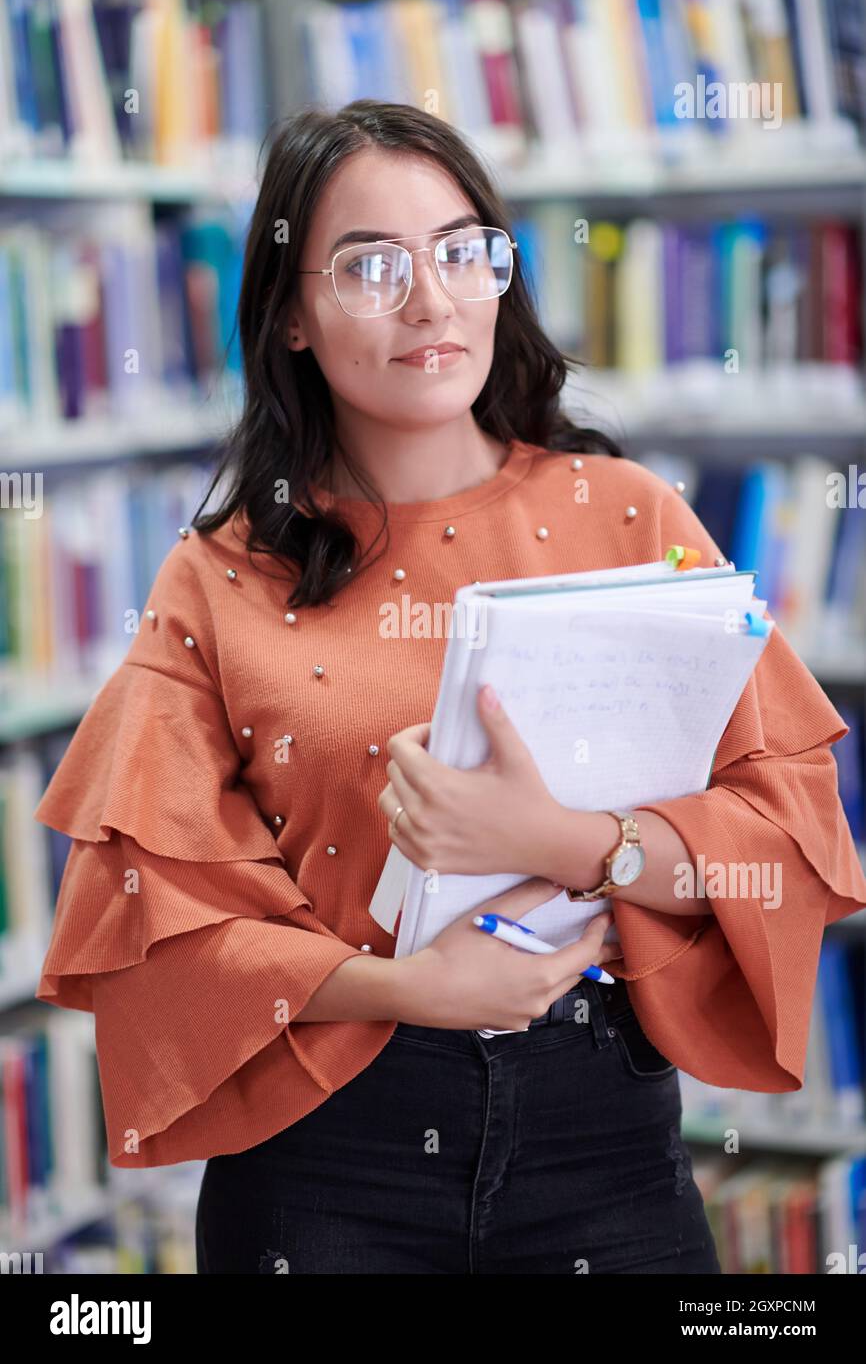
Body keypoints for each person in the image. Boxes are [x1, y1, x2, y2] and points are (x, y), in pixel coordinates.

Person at [34, 101, 866, 1275]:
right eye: (371, 266)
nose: (430, 301)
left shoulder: (630, 516)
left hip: (606, 1138)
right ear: (289, 321)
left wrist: (574, 839)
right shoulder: (219, 572)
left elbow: (788, 840)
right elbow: (156, 916)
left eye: (463, 250)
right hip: (327, 1155)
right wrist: (410, 985)